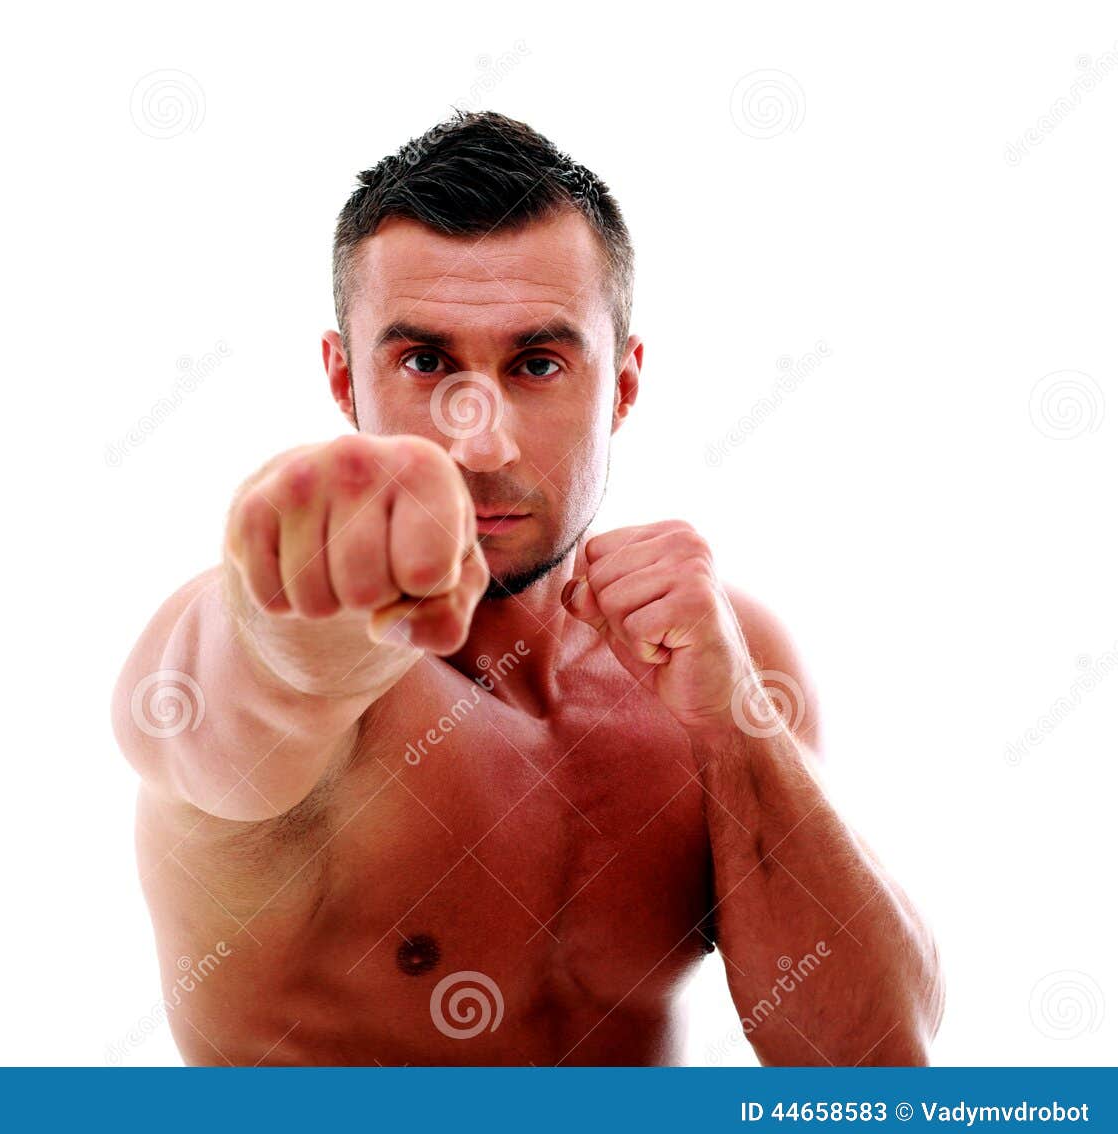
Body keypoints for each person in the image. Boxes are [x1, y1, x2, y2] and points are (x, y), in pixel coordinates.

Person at [111, 111, 943, 1065]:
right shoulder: (274, 629)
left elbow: (881, 1077)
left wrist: (734, 720)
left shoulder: (714, 651)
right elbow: (249, 688)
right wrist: (290, 607)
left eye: (538, 363)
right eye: (425, 362)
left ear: (623, 386)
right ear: (345, 380)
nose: (482, 440)